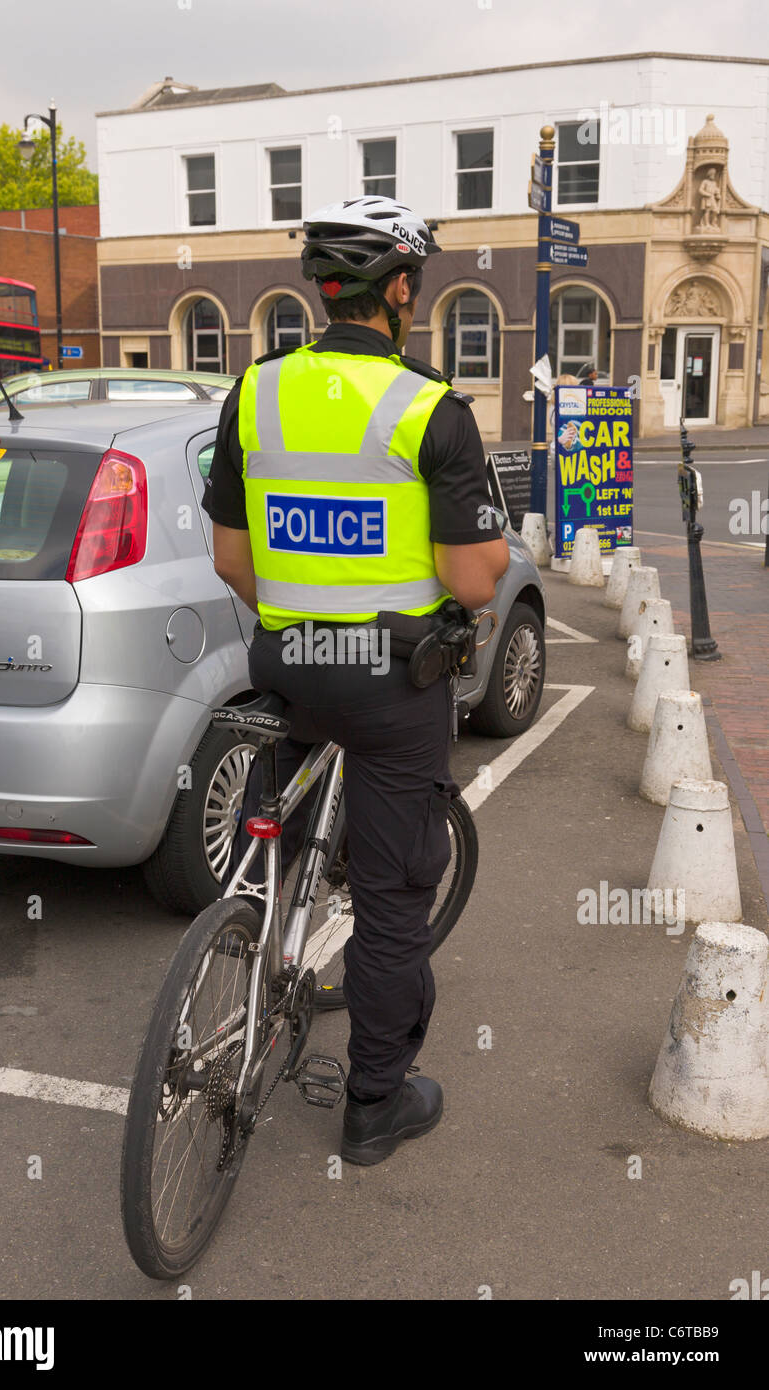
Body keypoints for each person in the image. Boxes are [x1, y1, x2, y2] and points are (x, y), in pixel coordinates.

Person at [202, 195, 509, 1166]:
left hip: (290, 665)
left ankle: (266, 919)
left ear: (322, 290)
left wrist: (304, 615)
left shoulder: (252, 393)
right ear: (401, 289)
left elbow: (228, 557)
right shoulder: (428, 408)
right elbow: (469, 576)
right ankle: (374, 1104)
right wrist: (486, 567)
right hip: (389, 683)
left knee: (288, 796)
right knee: (389, 898)